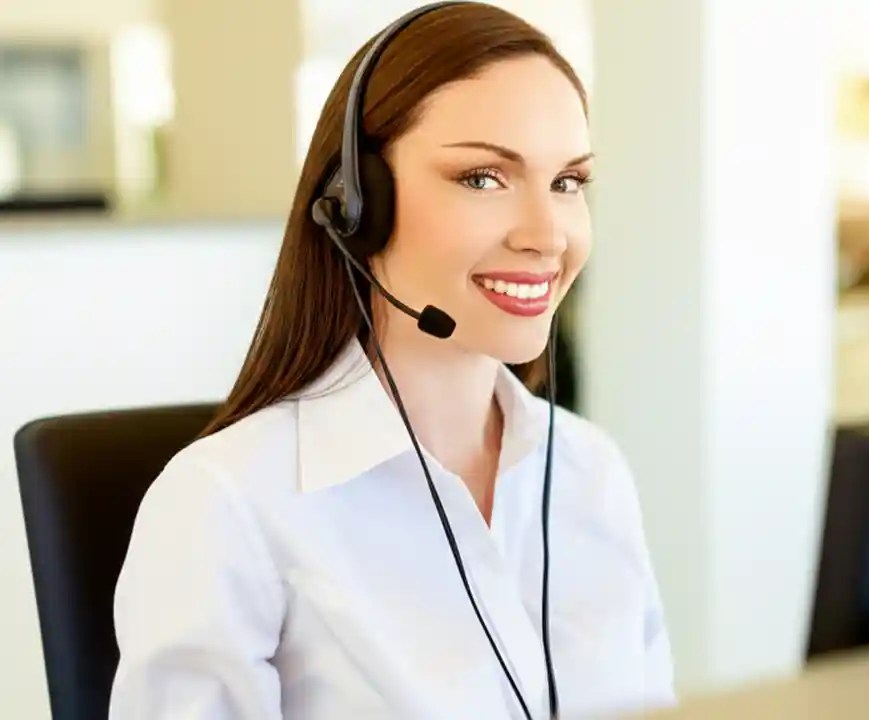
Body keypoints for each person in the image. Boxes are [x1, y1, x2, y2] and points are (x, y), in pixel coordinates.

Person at [109, 3, 674, 718]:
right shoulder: (228, 506)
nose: (547, 235)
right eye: (482, 178)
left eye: (567, 182)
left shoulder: (590, 473)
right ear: (356, 205)